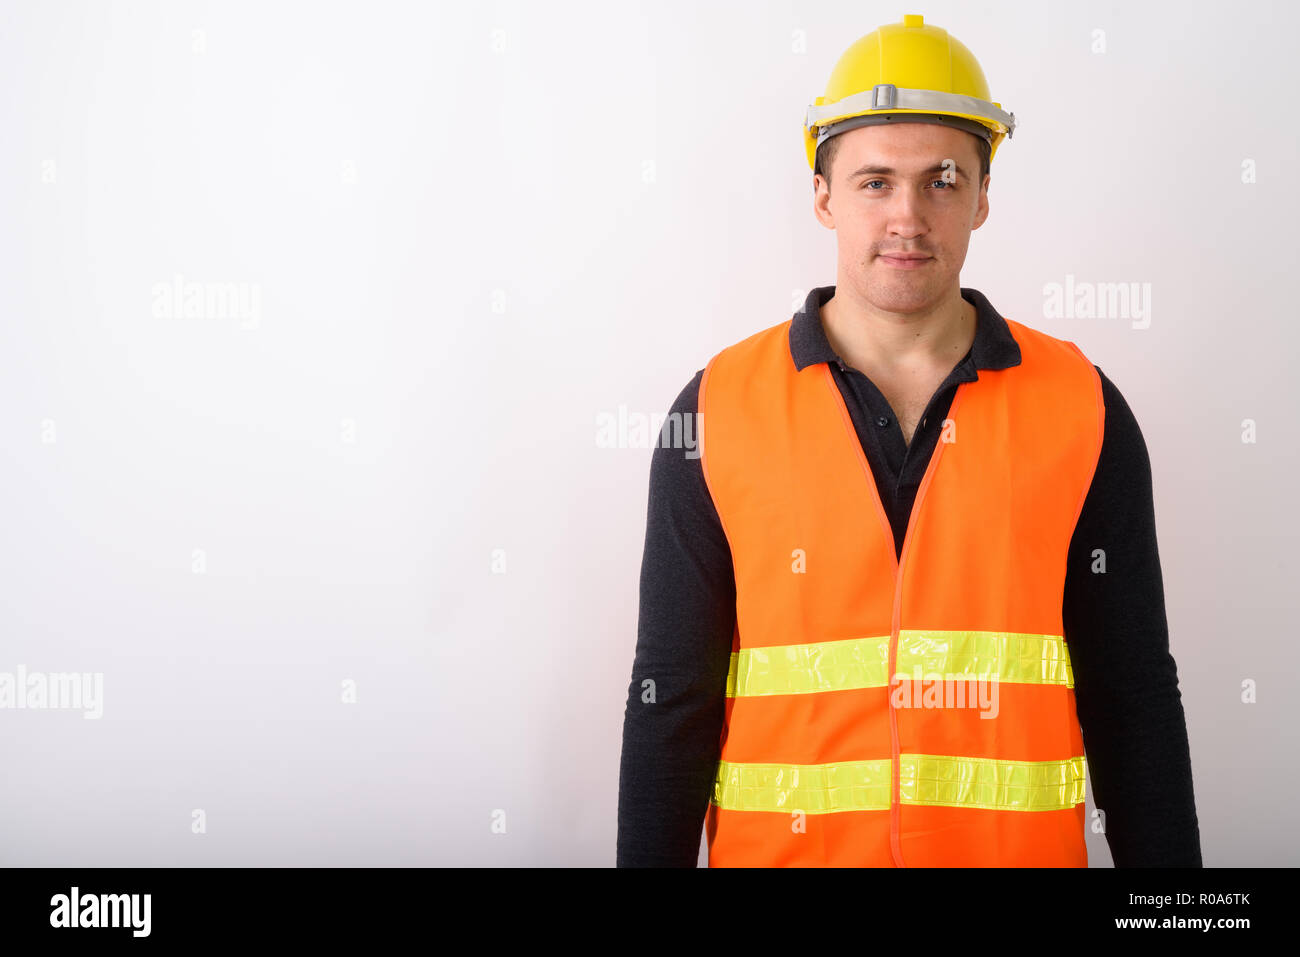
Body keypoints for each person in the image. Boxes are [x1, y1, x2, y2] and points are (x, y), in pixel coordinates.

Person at [616, 13, 1201, 866]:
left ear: (983, 195)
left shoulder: (1082, 406)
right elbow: (671, 698)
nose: (909, 217)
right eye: (875, 182)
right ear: (822, 194)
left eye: (942, 180)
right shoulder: (713, 413)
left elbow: (1134, 695)